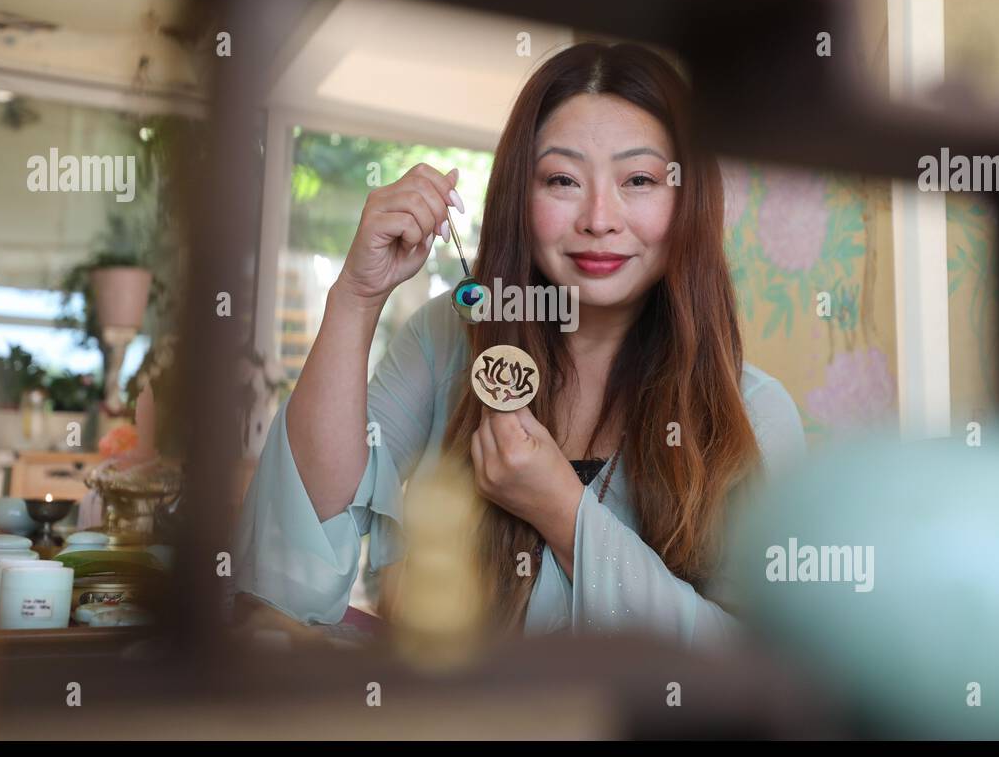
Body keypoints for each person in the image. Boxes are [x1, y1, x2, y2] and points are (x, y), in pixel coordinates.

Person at [235, 41, 806, 648]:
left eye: (639, 179)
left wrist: (560, 510)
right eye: (562, 179)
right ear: (519, 196)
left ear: (689, 199)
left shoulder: (754, 414)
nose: (599, 218)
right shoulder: (446, 337)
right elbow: (294, 558)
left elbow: (753, 661)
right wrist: (355, 297)